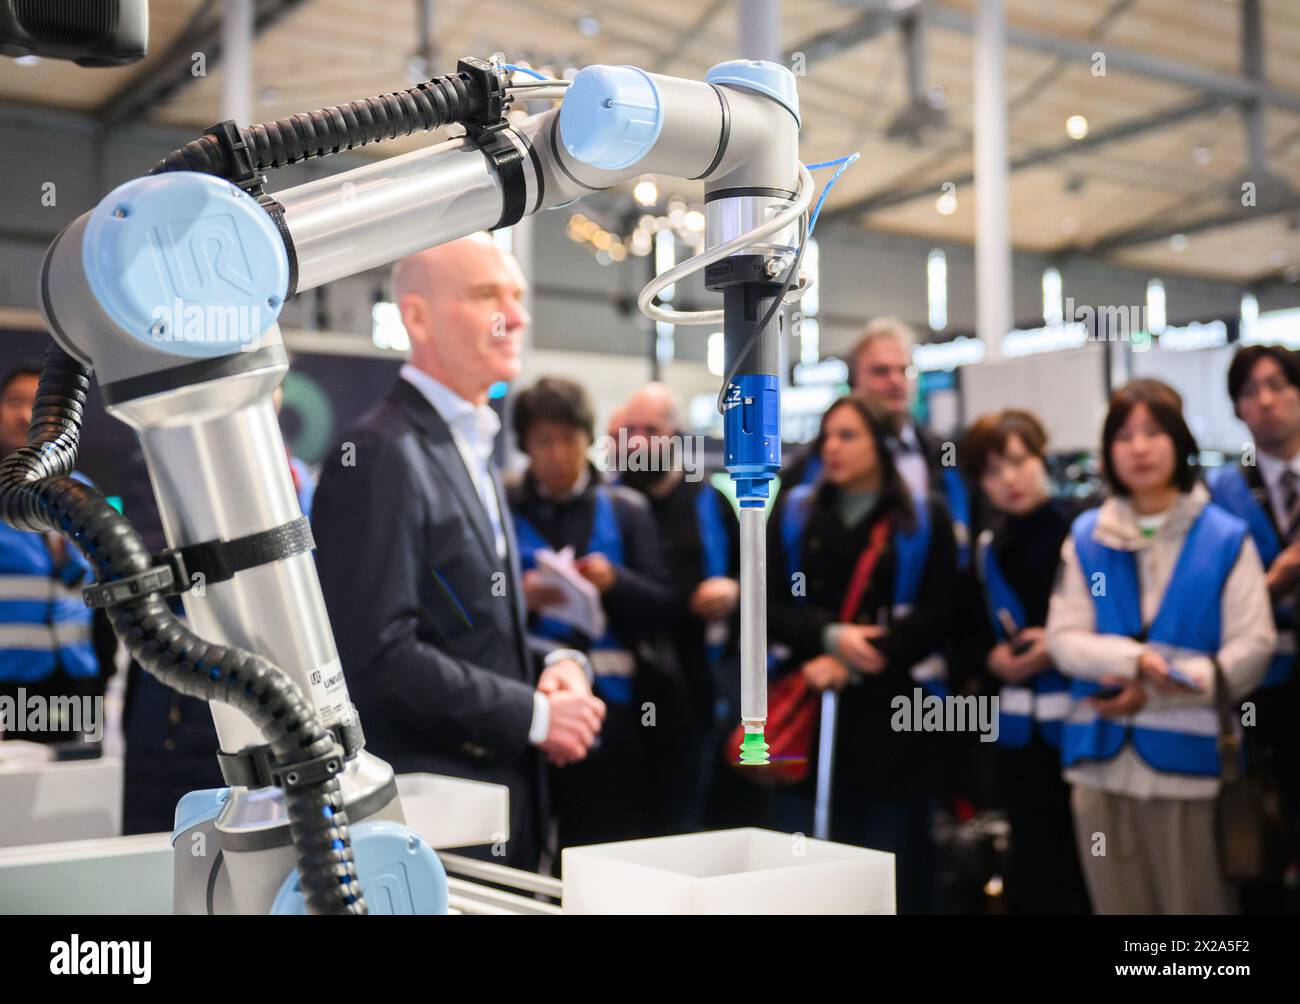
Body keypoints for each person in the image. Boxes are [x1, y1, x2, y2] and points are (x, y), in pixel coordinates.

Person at [312, 234, 606, 871]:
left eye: (519, 297)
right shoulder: (381, 453)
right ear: (417, 316)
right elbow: (375, 657)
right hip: (433, 825)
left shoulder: (469, 443)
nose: (518, 316)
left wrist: (556, 662)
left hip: (499, 811)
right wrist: (532, 714)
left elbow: (472, 632)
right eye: (487, 296)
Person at [1046, 378, 1275, 914]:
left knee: (1194, 924)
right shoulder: (1086, 536)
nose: (1140, 448)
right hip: (1098, 766)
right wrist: (1135, 661)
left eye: (1154, 432)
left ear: (1180, 443)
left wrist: (1152, 688)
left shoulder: (1224, 537)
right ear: (1107, 453)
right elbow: (1064, 639)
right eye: (1124, 436)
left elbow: (1253, 650)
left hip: (1192, 770)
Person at [767, 395, 958, 914]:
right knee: (811, 857)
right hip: (811, 708)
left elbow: (942, 612)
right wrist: (828, 637)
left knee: (897, 856)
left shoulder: (922, 519)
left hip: (897, 715)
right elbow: (765, 604)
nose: (832, 448)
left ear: (881, 445)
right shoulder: (795, 515)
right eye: (827, 435)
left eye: (848, 435)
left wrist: (856, 655)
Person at [507, 376, 677, 849]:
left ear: (588, 439)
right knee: (526, 848)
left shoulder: (625, 509)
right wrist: (520, 596)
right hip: (528, 706)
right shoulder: (503, 507)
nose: (558, 454)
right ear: (525, 445)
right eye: (544, 441)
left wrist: (615, 582)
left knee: (600, 848)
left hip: (615, 716)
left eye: (569, 439)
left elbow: (665, 603)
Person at [959, 409, 1089, 914]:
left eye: (1017, 461)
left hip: (1083, 730)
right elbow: (962, 630)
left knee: (1084, 864)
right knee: (1031, 865)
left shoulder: (1083, 533)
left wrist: (1058, 643)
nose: (1008, 480)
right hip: (1016, 738)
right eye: (991, 472)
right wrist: (989, 659)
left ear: (1041, 458)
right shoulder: (988, 548)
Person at [612, 382, 741, 831]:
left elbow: (759, 578)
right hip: (622, 695)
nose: (641, 440)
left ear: (678, 435)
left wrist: (734, 590)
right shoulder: (607, 501)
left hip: (695, 691)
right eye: (632, 429)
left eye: (653, 428)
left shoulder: (709, 500)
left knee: (683, 823)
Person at [1209, 344, 1300, 910]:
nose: (1265, 401)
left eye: (1277, 385)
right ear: (1238, 409)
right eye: (1249, 391)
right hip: (1261, 687)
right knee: (1264, 831)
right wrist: (1278, 578)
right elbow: (1210, 593)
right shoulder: (1219, 491)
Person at [782, 318, 972, 556]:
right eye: (880, 371)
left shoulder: (945, 456)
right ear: (854, 382)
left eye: (905, 370)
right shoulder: (811, 463)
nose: (895, 381)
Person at [0, 361, 103, 745]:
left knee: (75, 795)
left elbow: (103, 588)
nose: (25, 413)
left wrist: (101, 675)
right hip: (7, 682)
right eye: (13, 401)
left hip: (74, 680)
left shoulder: (80, 491)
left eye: (36, 403)